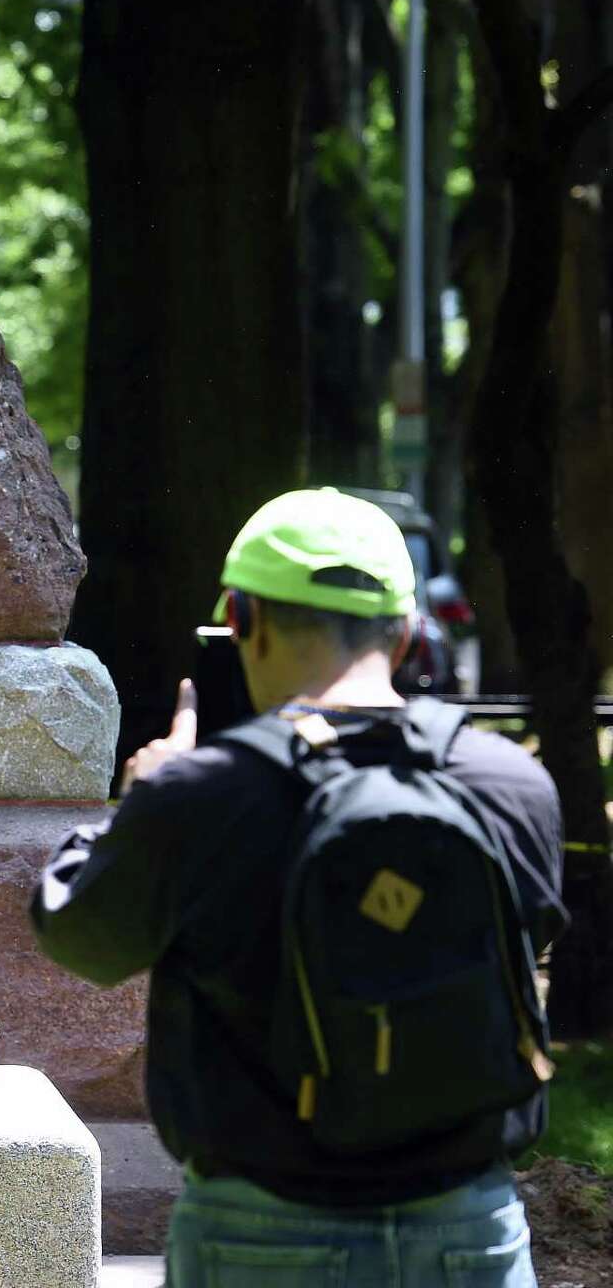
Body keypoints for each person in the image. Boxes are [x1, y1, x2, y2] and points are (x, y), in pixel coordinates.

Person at [31, 488, 564, 1285]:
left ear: (244, 620)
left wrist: (144, 797)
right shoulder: (511, 782)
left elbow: (82, 938)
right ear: (409, 629)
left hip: (259, 1227)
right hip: (471, 1227)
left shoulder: (203, 793)